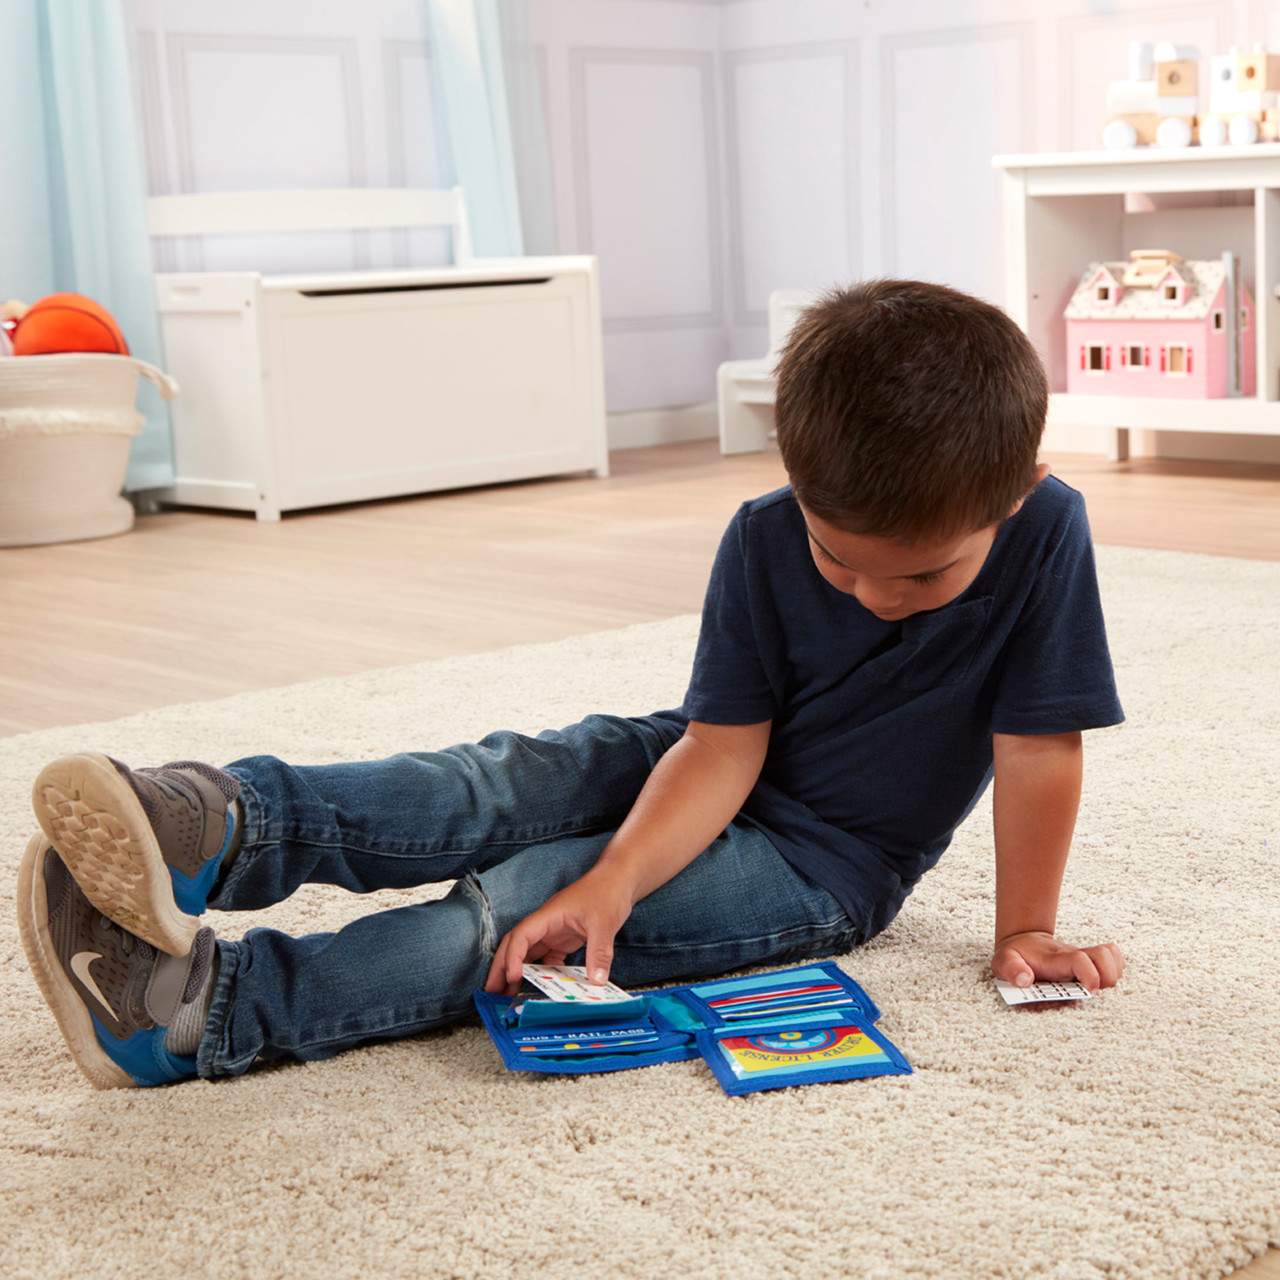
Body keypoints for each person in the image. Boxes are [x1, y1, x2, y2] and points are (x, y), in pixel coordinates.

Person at [17, 279, 1127, 1090]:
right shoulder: (759, 535)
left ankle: (203, 1012)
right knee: (492, 783)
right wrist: (626, 869)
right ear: (790, 480)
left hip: (819, 863)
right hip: (698, 756)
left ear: (1016, 493)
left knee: (521, 910)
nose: (873, 593)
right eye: (838, 560)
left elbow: (1037, 746)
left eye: (923, 573)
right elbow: (721, 744)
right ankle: (222, 826)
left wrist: (1023, 924)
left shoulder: (1046, 533)